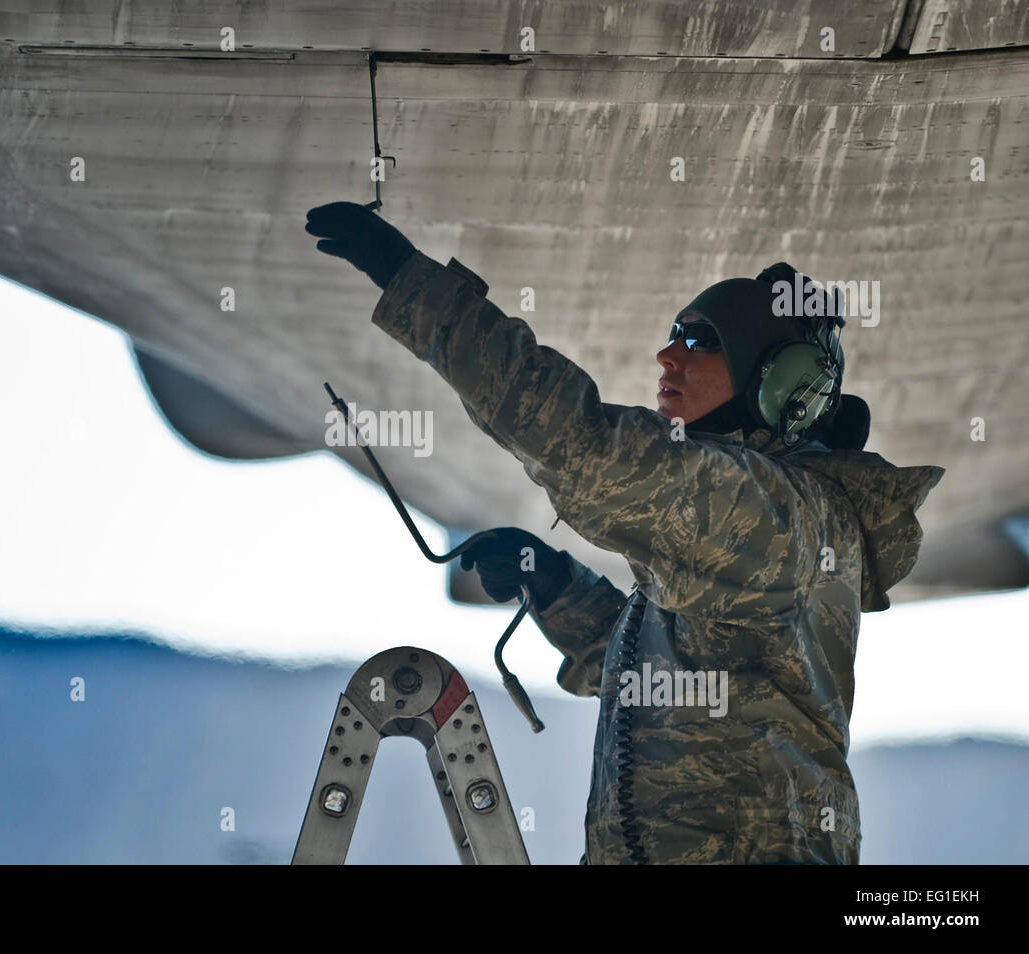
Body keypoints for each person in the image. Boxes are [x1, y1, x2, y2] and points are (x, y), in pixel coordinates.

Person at [306, 201, 945, 864]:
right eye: (675, 333)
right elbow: (669, 673)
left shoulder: (774, 512)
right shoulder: (753, 522)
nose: (667, 355)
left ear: (778, 385)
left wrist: (411, 283)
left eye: (702, 340)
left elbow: (580, 445)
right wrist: (557, 586)